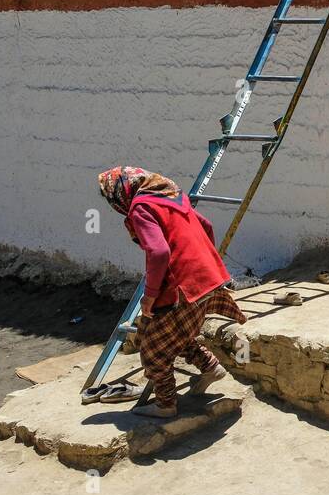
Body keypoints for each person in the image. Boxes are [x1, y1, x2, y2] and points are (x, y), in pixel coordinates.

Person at [97, 166, 246, 418]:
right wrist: (201, 261)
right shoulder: (172, 197)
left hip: (181, 288)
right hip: (205, 281)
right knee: (178, 334)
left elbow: (159, 252)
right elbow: (206, 226)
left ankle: (166, 405)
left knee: (153, 349)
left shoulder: (141, 208)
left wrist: (151, 295)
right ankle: (211, 368)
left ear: (120, 193)